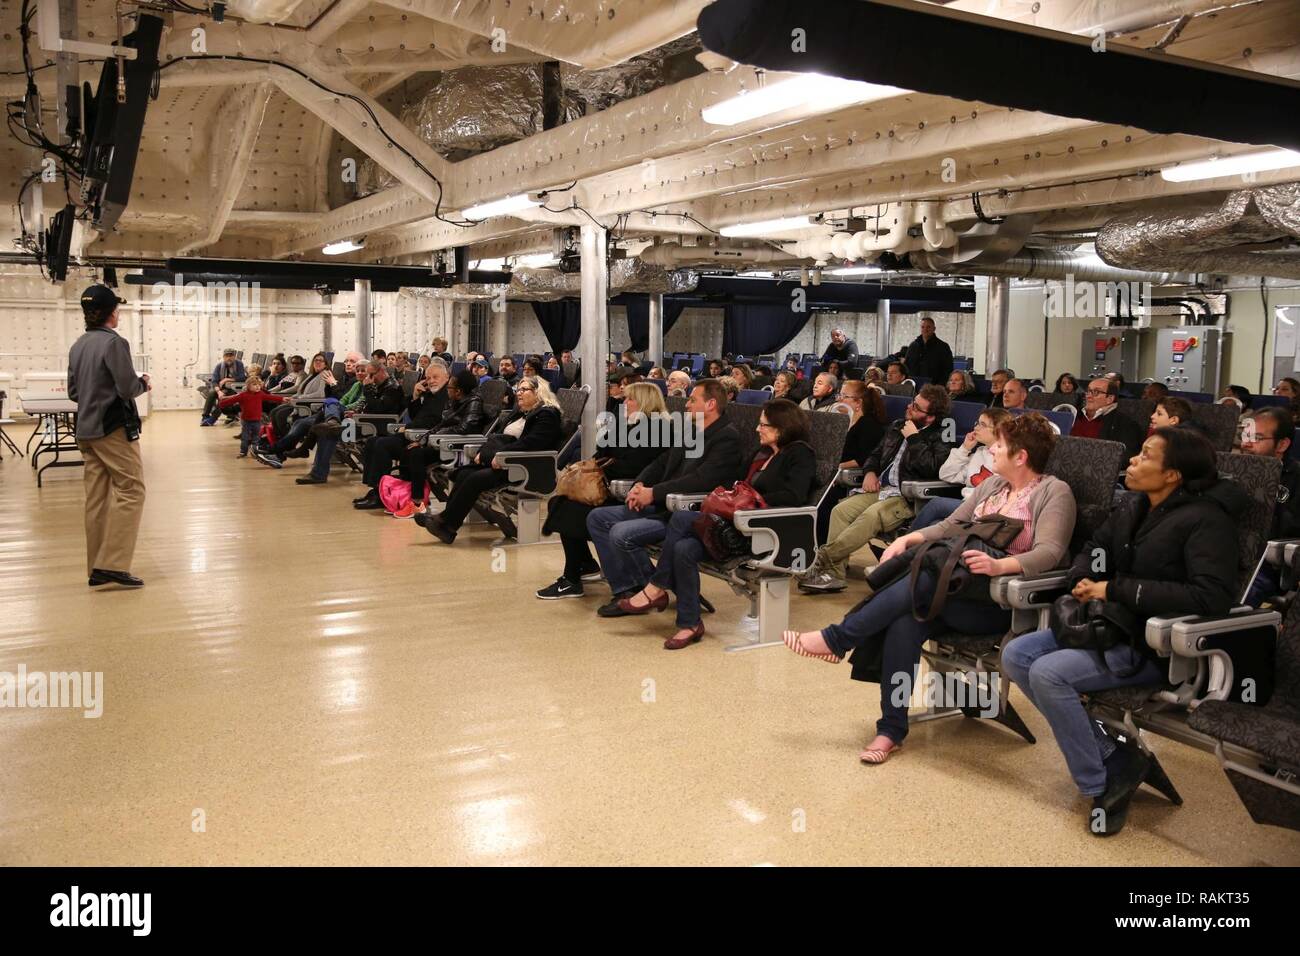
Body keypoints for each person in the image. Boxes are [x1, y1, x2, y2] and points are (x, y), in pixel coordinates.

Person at [785, 414, 1076, 767]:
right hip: (956, 586)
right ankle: (890, 729)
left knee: (924, 577)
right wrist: (911, 536)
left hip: (1001, 600)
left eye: (999, 445)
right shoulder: (993, 486)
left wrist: (1001, 566)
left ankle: (839, 637)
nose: (992, 449)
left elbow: (1050, 553)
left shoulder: (1053, 491)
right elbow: (951, 525)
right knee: (905, 621)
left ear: (1021, 456)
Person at [1001, 427, 1243, 836]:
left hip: (1157, 647)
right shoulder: (1135, 506)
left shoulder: (1206, 521)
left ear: (1173, 475)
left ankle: (1101, 783)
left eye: (1146, 455)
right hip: (1110, 624)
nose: (1133, 460)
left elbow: (1210, 598)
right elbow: (1096, 547)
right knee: (1016, 655)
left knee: (1048, 672)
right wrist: (1082, 577)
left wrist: (1114, 588)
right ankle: (1117, 757)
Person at [615, 399, 819, 649]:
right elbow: (736, 484)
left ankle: (657, 587)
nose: (757, 429)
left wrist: (749, 502)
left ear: (782, 427)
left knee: (680, 517)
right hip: (732, 526)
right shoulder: (761, 454)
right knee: (683, 549)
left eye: (763, 424)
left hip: (761, 531)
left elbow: (795, 496)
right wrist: (732, 499)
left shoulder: (800, 453)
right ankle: (690, 624)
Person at [587, 380, 742, 615]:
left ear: (711, 404)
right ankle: (628, 589)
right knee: (597, 518)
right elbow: (662, 461)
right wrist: (640, 484)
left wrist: (654, 493)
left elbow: (700, 480)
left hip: (688, 514)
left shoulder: (727, 438)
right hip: (665, 505)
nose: (686, 405)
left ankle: (651, 591)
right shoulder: (692, 429)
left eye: (692, 400)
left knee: (620, 533)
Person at [800, 384, 954, 593]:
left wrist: (914, 438)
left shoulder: (941, 434)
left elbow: (933, 468)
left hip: (905, 496)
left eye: (917, 407)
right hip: (881, 488)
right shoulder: (898, 425)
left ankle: (823, 558)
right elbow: (875, 455)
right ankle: (834, 575)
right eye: (912, 402)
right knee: (840, 511)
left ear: (931, 417)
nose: (910, 407)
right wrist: (870, 472)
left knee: (870, 516)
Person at [536, 383, 671, 599]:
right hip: (616, 488)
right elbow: (604, 452)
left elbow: (634, 467)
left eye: (629, 399)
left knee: (569, 509)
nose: (624, 403)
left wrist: (609, 462)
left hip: (634, 496)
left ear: (645, 402)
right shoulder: (630, 425)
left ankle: (574, 576)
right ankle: (582, 566)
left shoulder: (659, 429)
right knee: (561, 503)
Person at [66, 284, 151, 589]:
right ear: (111, 312)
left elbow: (73, 392)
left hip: (86, 431)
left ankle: (96, 567)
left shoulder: (78, 345)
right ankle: (112, 564)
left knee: (97, 499)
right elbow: (128, 388)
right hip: (111, 429)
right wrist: (143, 383)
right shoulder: (114, 343)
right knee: (132, 490)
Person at [418, 378, 565, 542]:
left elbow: (531, 444)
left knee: (475, 478)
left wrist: (498, 455)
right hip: (509, 462)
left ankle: (445, 523)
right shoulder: (521, 413)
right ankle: (446, 525)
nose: (519, 393)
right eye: (518, 389)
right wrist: (487, 452)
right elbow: (499, 437)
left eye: (524, 389)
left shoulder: (547, 414)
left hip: (527, 467)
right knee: (463, 473)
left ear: (538, 392)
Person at [352, 362, 451, 511]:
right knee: (372, 442)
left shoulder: (446, 397)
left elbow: (434, 421)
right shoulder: (431, 394)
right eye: (428, 378)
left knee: (382, 445)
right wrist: (416, 397)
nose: (431, 381)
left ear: (446, 377)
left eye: (435, 377)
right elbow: (416, 416)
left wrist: (407, 428)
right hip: (412, 434)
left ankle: (379, 494)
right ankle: (375, 489)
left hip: (423, 439)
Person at [293, 360, 405, 484]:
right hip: (362, 420)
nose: (368, 378)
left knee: (328, 428)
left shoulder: (392, 388)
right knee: (330, 407)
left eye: (371, 375)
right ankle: (332, 422)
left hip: (372, 426)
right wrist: (356, 413)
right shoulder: (381, 385)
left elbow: (379, 409)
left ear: (382, 371)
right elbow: (371, 407)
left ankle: (317, 471)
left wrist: (367, 389)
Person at [910, 406, 1012, 530]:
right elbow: (946, 475)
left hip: (985, 509)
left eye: (982, 424)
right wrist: (964, 448)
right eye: (977, 423)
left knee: (937, 504)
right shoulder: (979, 453)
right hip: (967, 505)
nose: (976, 428)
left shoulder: (1006, 458)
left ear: (999, 430)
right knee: (934, 524)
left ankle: (903, 545)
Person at [1071, 377, 1145, 458]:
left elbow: (1125, 457)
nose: (1088, 396)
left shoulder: (1126, 424)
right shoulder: (1073, 416)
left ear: (1110, 399)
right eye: (1088, 391)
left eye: (1096, 392)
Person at [218, 375, 286, 457]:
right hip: (246, 420)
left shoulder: (261, 394)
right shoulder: (243, 395)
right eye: (254, 384)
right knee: (245, 437)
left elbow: (270, 397)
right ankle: (243, 451)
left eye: (259, 385)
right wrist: (221, 404)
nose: (257, 387)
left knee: (256, 437)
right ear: (248, 386)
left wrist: (282, 399)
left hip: (257, 420)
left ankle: (255, 450)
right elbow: (232, 400)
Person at [200, 349, 247, 425]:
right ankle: (205, 416)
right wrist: (219, 392)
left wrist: (226, 379)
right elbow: (214, 381)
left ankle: (213, 418)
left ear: (234, 357)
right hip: (221, 388)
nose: (229, 358)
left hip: (234, 388)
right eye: (227, 356)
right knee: (212, 393)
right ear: (223, 357)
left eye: (231, 356)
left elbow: (242, 378)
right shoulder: (219, 366)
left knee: (225, 397)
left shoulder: (239, 364)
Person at [903, 317, 954, 384]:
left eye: (928, 327)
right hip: (913, 387)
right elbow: (906, 367)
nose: (925, 329)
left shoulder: (943, 347)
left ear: (934, 329)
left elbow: (948, 370)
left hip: (934, 387)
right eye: (923, 327)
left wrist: (940, 386)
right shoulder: (913, 346)